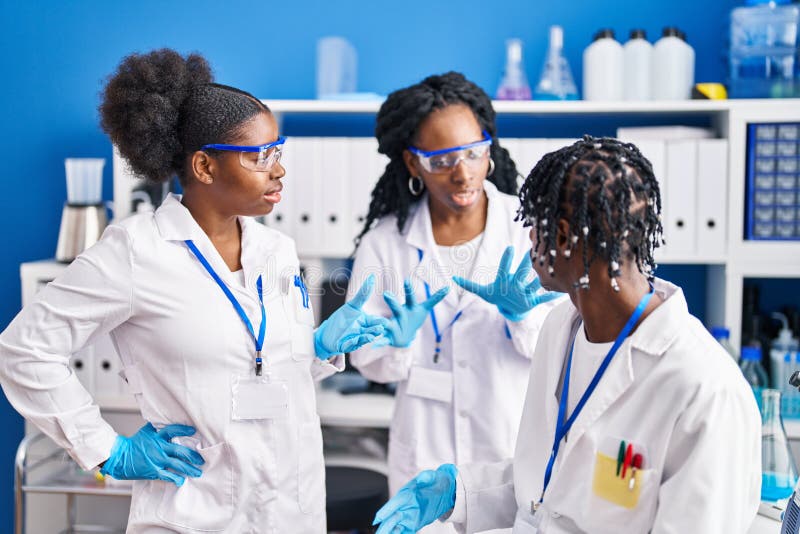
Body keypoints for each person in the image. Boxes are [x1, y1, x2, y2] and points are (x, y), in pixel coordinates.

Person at [0, 49, 389, 532]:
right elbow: (22, 351)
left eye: (278, 151)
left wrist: (320, 348)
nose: (278, 170)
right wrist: (106, 449)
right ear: (204, 167)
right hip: (194, 516)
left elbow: (261, 369)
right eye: (259, 156)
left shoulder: (278, 250)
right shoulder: (136, 251)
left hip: (292, 509)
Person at [373, 136, 761, 534]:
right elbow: (549, 488)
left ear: (560, 236)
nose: (528, 241)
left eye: (532, 227)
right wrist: (461, 491)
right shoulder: (562, 328)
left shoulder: (705, 391)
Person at [348, 72, 562, 533]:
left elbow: (564, 345)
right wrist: (396, 345)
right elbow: (368, 360)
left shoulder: (527, 229)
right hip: (424, 452)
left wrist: (523, 317)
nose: (462, 172)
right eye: (442, 159)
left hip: (508, 446)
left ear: (490, 147)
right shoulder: (386, 244)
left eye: (472, 152)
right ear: (412, 163)